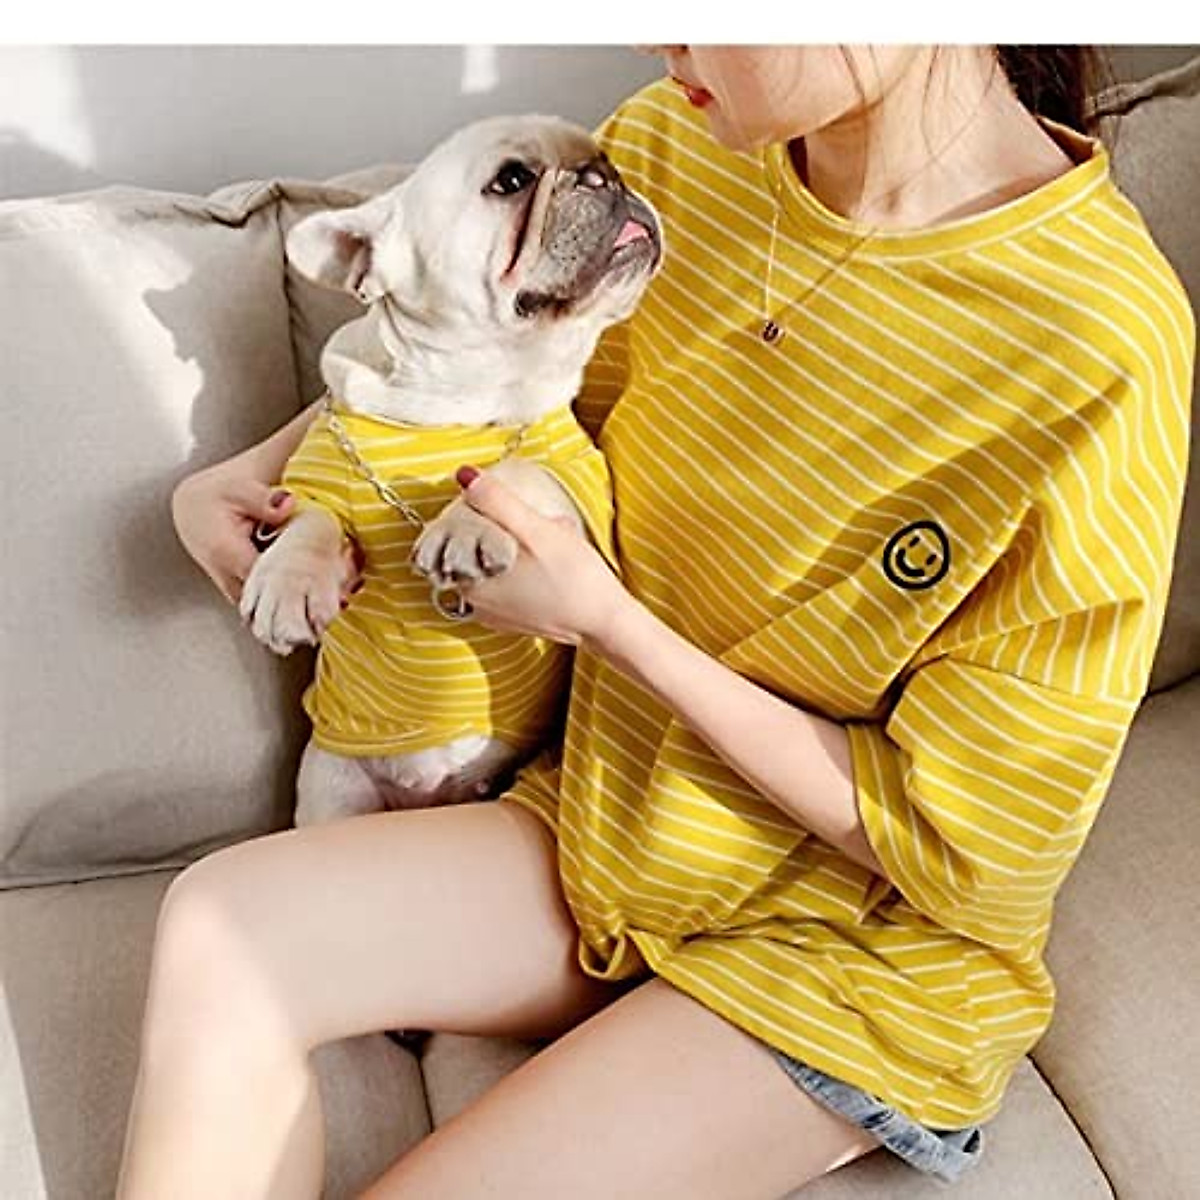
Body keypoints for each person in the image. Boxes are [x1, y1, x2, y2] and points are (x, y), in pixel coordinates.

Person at [116, 45, 1194, 1199]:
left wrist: (611, 625)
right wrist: (245, 472)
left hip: (841, 953)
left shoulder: (1097, 339)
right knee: (220, 923)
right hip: (604, 828)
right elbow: (484, 372)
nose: (652, 35)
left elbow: (972, 850)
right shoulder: (671, 151)